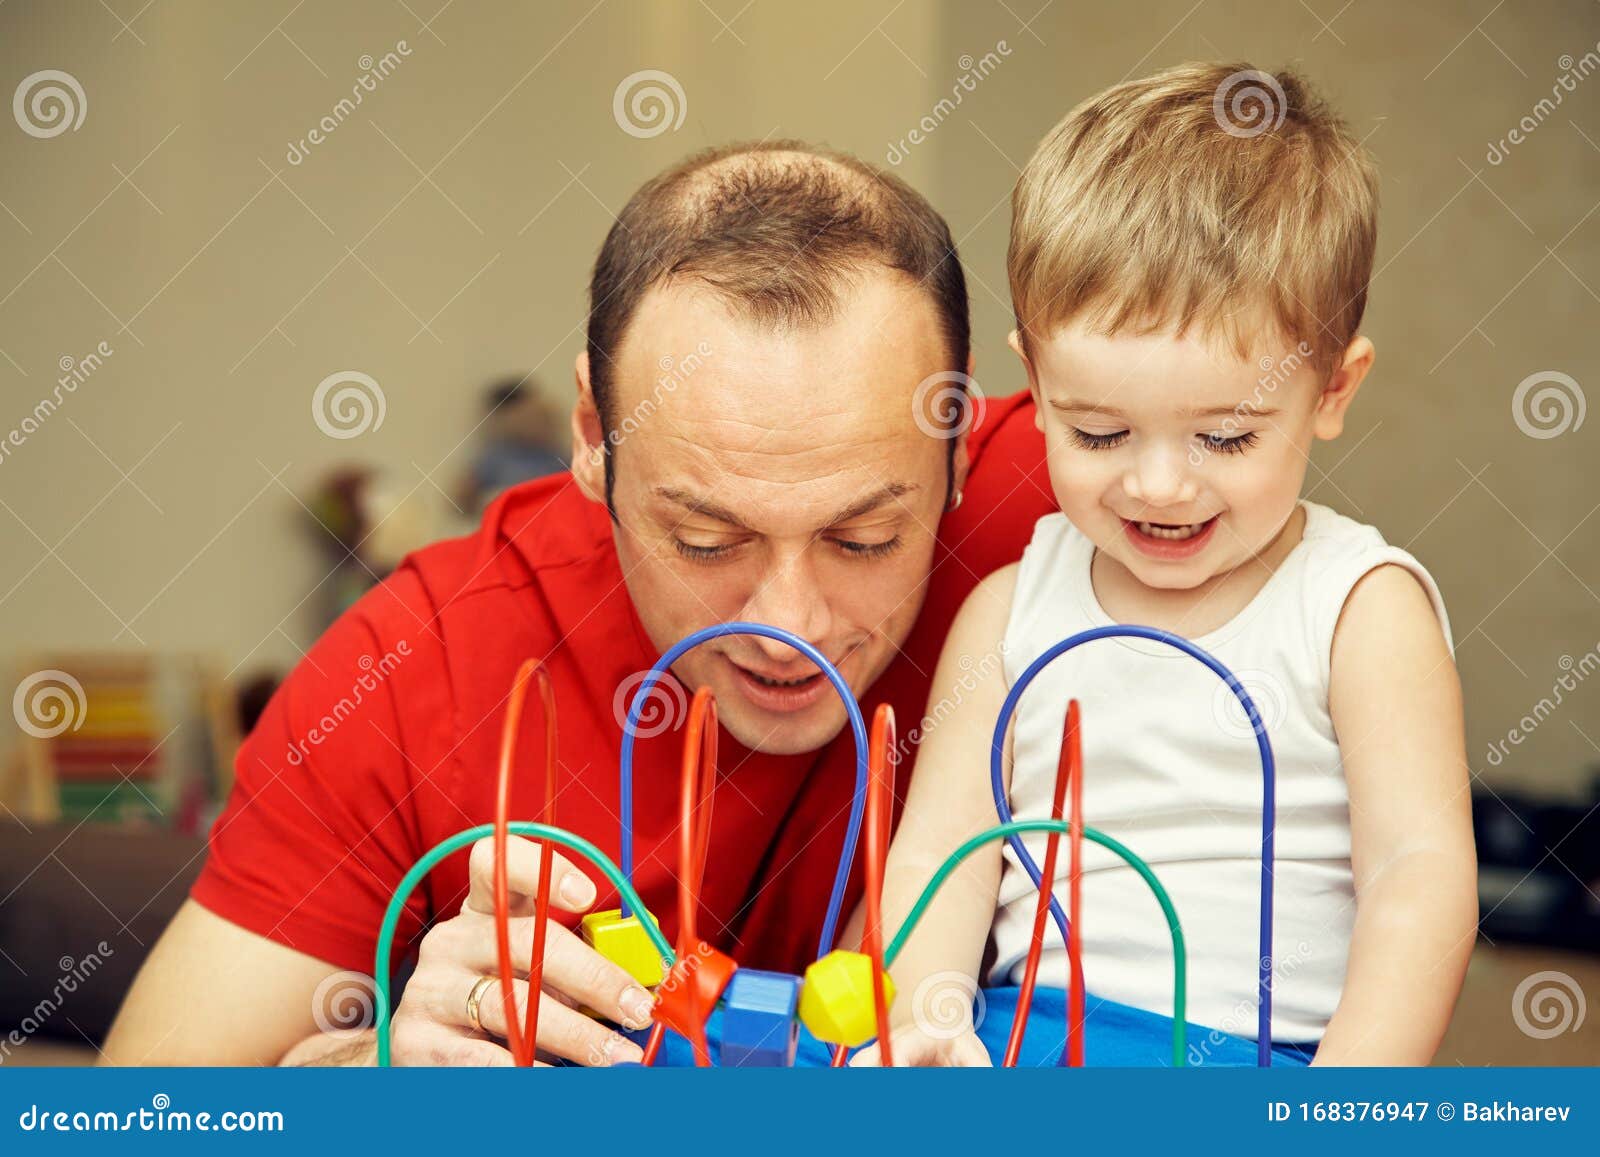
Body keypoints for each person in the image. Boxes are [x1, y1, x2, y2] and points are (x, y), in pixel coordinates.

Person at [103, 141, 1057, 1066]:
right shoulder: (411, 665)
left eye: (865, 538)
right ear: (597, 437)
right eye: (707, 539)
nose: (789, 625)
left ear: (956, 443)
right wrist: (379, 1066)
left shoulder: (1091, 499)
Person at [861, 63, 1476, 1067]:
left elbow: (1418, 877)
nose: (1157, 486)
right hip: (1016, 1044)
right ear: (1035, 382)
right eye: (1097, 432)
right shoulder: (1009, 612)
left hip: (1254, 1066)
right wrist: (926, 1018)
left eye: (1224, 438)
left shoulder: (1358, 610)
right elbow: (940, 853)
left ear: (1332, 387)